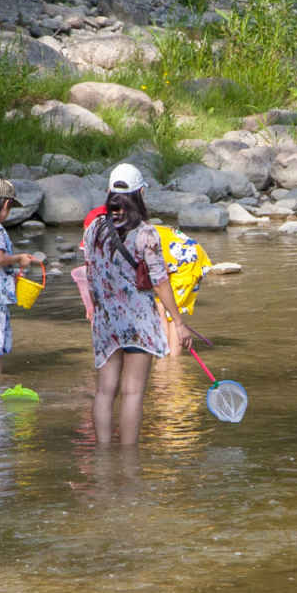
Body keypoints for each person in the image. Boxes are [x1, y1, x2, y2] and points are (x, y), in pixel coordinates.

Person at [81, 163, 185, 443]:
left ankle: (103, 458)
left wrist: (98, 307)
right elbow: (161, 280)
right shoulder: (146, 232)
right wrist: (179, 321)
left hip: (106, 321)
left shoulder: (93, 230)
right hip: (138, 321)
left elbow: (90, 273)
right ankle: (128, 463)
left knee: (105, 391)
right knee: (133, 392)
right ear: (140, 194)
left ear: (109, 192)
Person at [0, 180, 44, 380]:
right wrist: (19, 258)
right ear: (3, 204)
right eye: (10, 207)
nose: (10, 211)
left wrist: (13, 270)